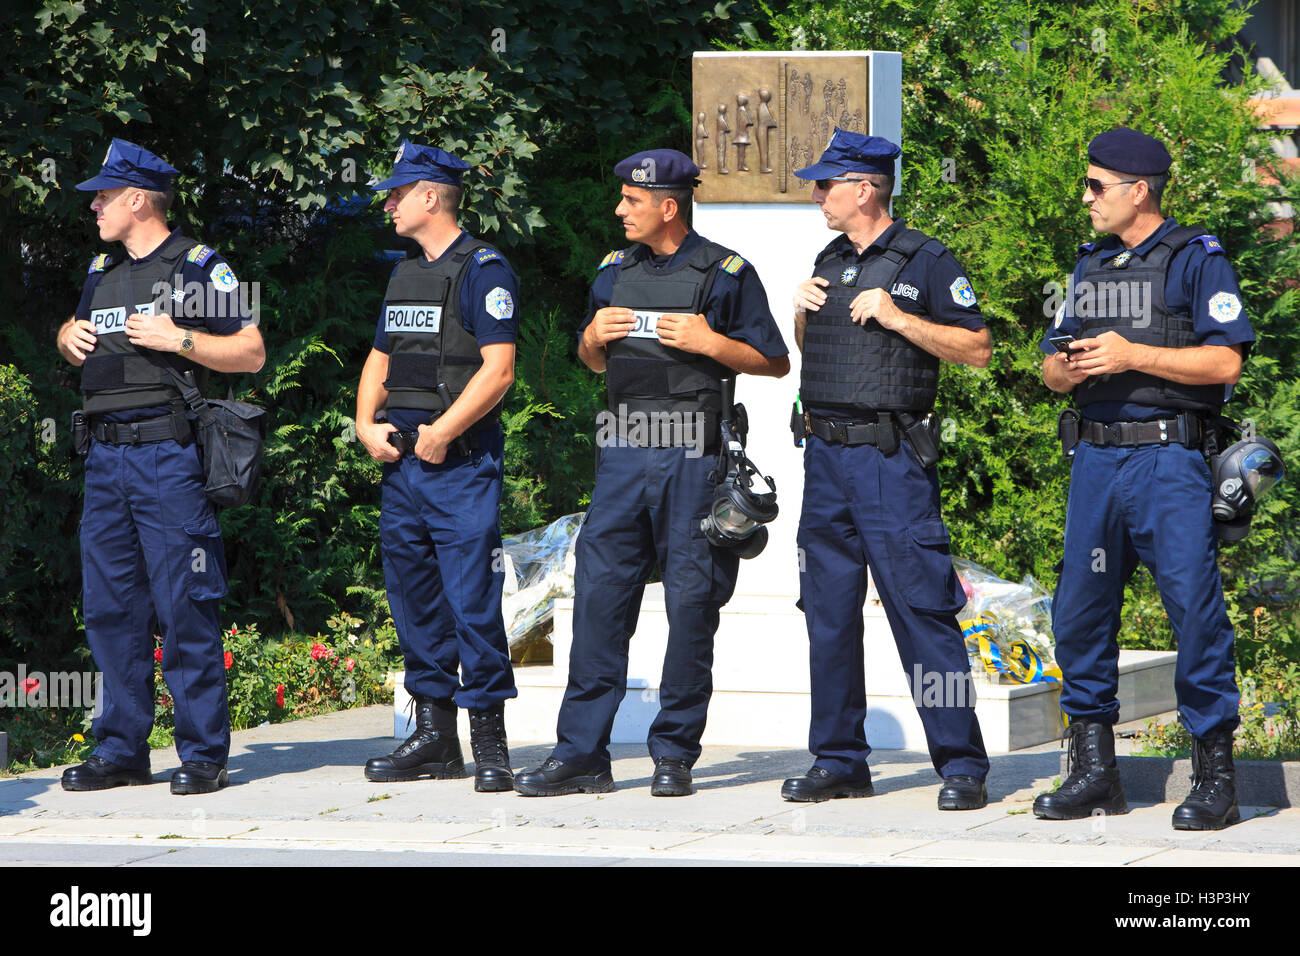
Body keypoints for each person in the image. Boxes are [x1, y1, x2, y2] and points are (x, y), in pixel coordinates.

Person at [514, 149, 789, 797]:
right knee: (600, 602)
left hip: (692, 456)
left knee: (692, 605)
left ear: (668, 207)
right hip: (622, 452)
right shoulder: (613, 272)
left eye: (631, 201)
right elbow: (592, 361)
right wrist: (591, 339)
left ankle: (674, 755)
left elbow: (774, 360)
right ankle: (581, 755)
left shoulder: (725, 272)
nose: (619, 210)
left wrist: (710, 344)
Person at [1035, 126, 1255, 830]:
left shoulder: (1196, 259)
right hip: (1096, 459)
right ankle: (1094, 773)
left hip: (1168, 461)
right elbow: (1050, 373)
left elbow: (1224, 363)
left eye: (1096, 185)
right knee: (1079, 612)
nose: (1086, 197)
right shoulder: (1090, 264)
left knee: (1194, 611)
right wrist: (1067, 367)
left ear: (1139, 191)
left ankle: (1215, 779)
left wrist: (1133, 355)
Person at [785, 128, 992, 809]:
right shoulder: (829, 258)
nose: (818, 195)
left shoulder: (927, 260)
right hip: (824, 459)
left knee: (921, 609)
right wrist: (801, 315)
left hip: (889, 460)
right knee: (827, 613)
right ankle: (838, 760)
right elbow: (819, 356)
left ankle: (961, 765)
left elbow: (977, 348)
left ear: (865, 189)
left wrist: (900, 318)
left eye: (827, 185)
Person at [55, 138, 265, 795]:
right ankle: (121, 751)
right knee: (111, 609)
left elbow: (252, 351)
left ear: (139, 200)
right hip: (104, 460)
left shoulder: (197, 268)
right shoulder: (102, 270)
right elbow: (80, 338)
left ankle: (202, 755)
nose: (95, 206)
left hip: (166, 459)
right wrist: (65, 336)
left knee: (184, 606)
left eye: (105, 196)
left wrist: (182, 339)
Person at [355, 141, 518, 792]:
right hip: (403, 467)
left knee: (472, 602)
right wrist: (364, 423)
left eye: (397, 193)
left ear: (431, 196)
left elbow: (498, 371)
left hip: (459, 466)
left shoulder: (483, 269)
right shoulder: (403, 273)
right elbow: (380, 358)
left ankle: (490, 743)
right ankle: (435, 740)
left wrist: (445, 432)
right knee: (414, 601)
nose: (389, 205)